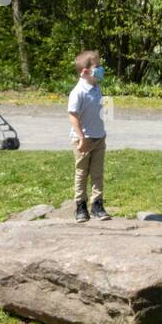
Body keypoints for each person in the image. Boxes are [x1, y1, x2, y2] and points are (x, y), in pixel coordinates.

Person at [67, 49, 110, 222]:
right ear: (85, 72)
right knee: (82, 173)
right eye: (97, 66)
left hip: (99, 137)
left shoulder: (96, 87)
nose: (100, 69)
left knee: (97, 173)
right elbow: (73, 116)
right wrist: (82, 138)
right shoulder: (78, 92)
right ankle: (80, 205)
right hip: (83, 140)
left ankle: (97, 205)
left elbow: (102, 111)